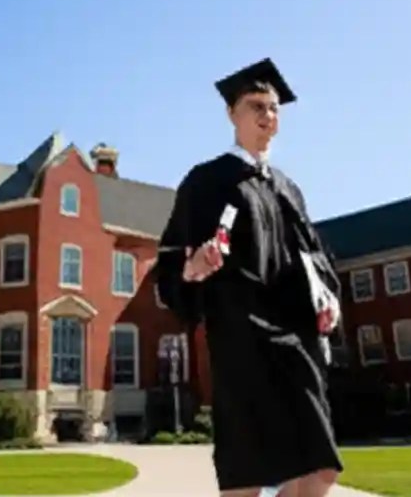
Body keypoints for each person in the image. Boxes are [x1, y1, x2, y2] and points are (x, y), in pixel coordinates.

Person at [157, 58, 344, 497]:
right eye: (256, 106)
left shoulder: (287, 187)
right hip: (241, 335)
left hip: (295, 334)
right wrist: (191, 269)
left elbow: (314, 256)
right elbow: (171, 257)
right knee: (247, 475)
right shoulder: (207, 180)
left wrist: (328, 296)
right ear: (231, 115)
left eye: (274, 108)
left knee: (320, 468)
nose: (267, 116)